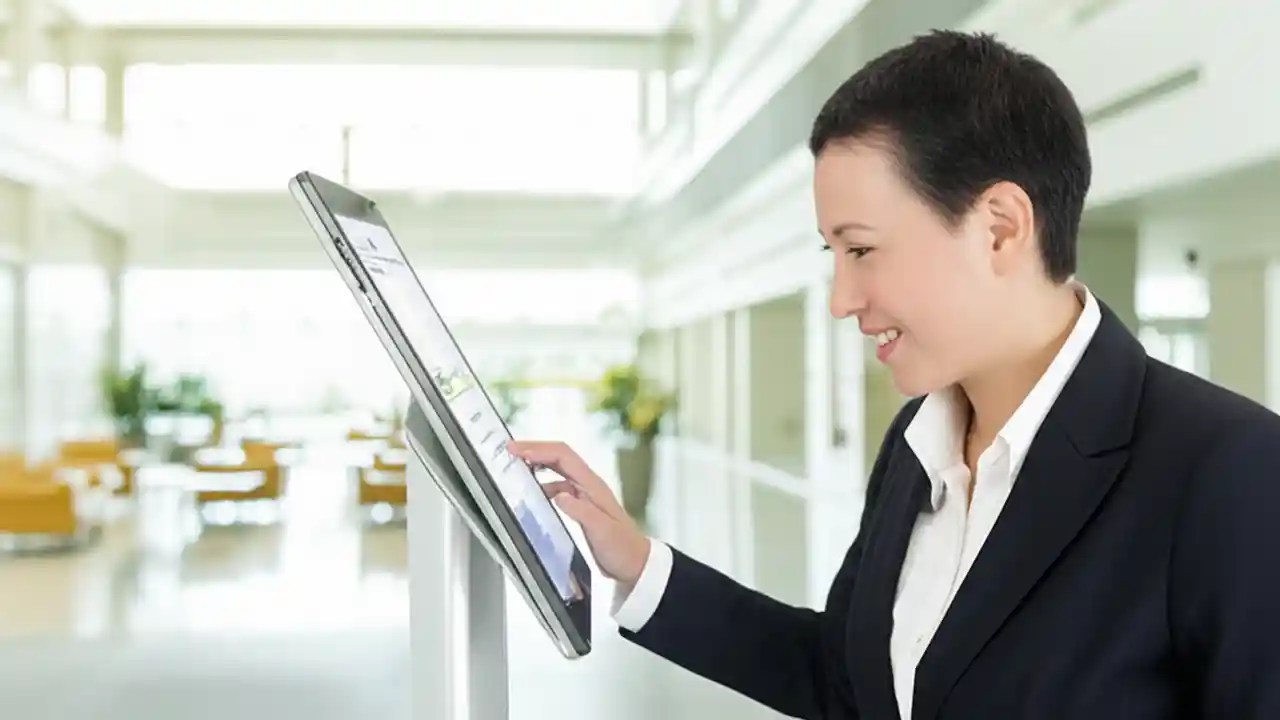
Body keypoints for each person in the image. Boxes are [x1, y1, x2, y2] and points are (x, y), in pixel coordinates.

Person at [509, 29, 1280, 719]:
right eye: (832, 255)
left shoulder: (1228, 469)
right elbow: (848, 677)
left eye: (863, 249)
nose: (843, 300)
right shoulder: (920, 440)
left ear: (1000, 228)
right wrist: (639, 564)